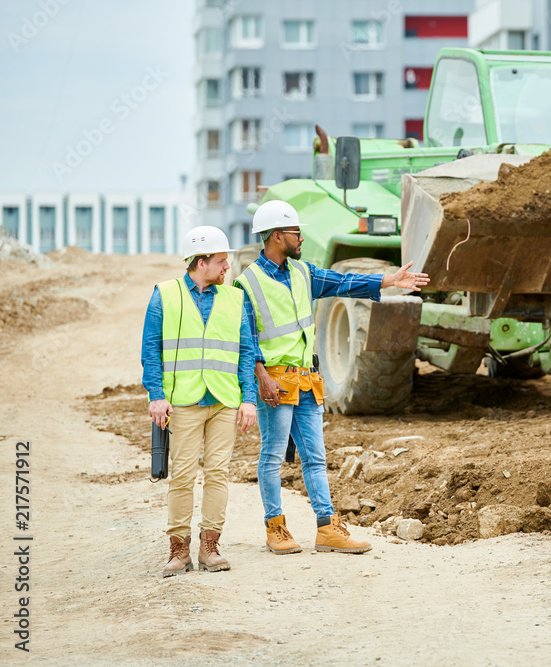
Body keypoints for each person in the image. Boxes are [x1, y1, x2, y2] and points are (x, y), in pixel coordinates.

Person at [235, 200, 428, 555]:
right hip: (274, 383)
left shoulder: (303, 273)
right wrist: (261, 377)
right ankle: (275, 527)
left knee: (315, 459)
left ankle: (327, 528)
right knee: (272, 457)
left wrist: (390, 279)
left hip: (307, 381)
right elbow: (245, 340)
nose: (301, 238)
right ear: (277, 236)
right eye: (295, 232)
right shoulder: (247, 283)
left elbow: (345, 282)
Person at [142, 226, 258, 577]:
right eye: (222, 261)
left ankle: (210, 547)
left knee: (219, 474)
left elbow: (246, 352)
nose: (227, 267)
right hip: (185, 401)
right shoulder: (165, 294)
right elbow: (151, 349)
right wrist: (157, 396)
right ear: (202, 261)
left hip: (224, 400)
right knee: (182, 477)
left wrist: (248, 399)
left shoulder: (235, 299)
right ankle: (179, 551)